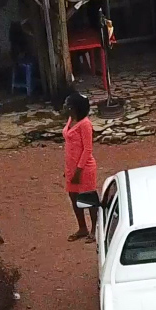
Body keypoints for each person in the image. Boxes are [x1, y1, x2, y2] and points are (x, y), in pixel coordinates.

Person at [63, 91, 98, 242]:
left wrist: (78, 170)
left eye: (67, 104)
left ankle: (94, 230)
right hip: (71, 167)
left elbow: (88, 149)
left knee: (89, 199)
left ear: (74, 107)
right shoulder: (71, 119)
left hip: (84, 168)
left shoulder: (85, 124)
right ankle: (82, 227)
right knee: (74, 197)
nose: (65, 106)